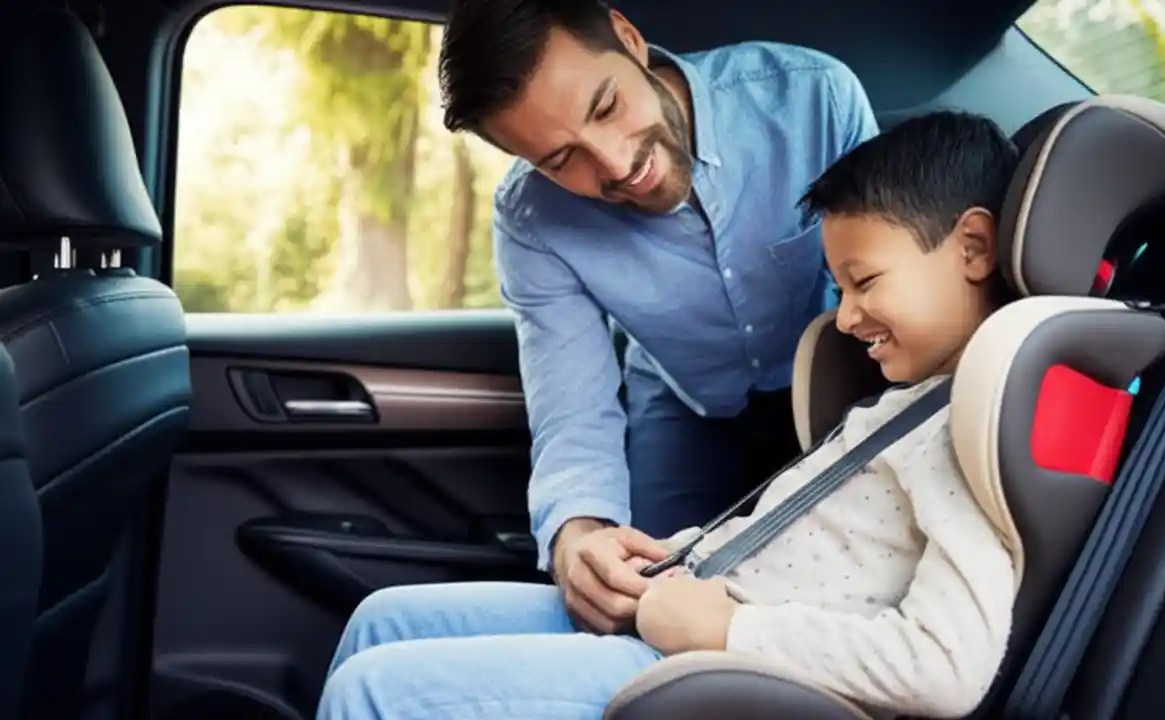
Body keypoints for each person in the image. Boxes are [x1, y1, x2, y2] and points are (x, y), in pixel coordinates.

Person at [316, 110, 1024, 720]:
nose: (843, 317)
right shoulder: (905, 404)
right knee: (384, 620)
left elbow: (943, 664)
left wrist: (729, 629)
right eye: (837, 287)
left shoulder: (973, 427)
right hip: (684, 615)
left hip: (730, 677)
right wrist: (675, 557)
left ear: (972, 247)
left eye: (864, 281)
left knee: (375, 692)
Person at [434, 0, 880, 634]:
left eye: (606, 106)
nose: (616, 165)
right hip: (684, 404)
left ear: (629, 38)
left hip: (838, 389)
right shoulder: (532, 222)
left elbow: (890, 291)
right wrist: (577, 538)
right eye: (562, 160)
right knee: (640, 608)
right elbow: (571, 405)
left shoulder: (814, 99)